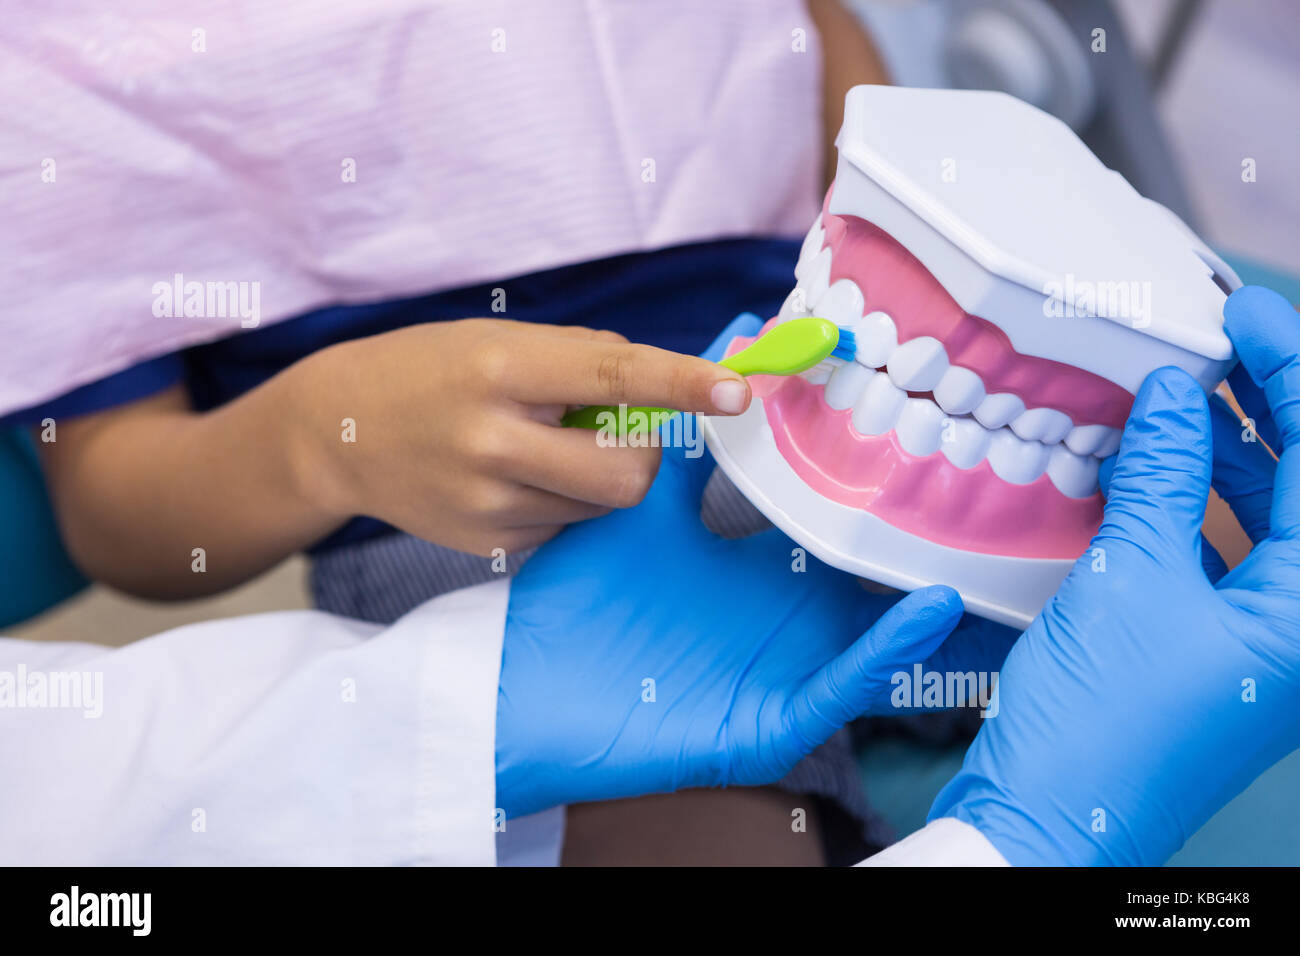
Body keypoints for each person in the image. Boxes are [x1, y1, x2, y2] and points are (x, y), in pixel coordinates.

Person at [2, 0, 895, 862]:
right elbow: (116, 507)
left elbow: (817, 32)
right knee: (676, 800)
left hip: (851, 383)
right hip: (480, 523)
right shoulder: (68, 49)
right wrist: (328, 439)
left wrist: (905, 250)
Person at [4, 285, 1296, 866]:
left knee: (1217, 549)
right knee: (700, 817)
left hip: (871, 399)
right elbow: (123, 507)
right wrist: (319, 434)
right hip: (516, 487)